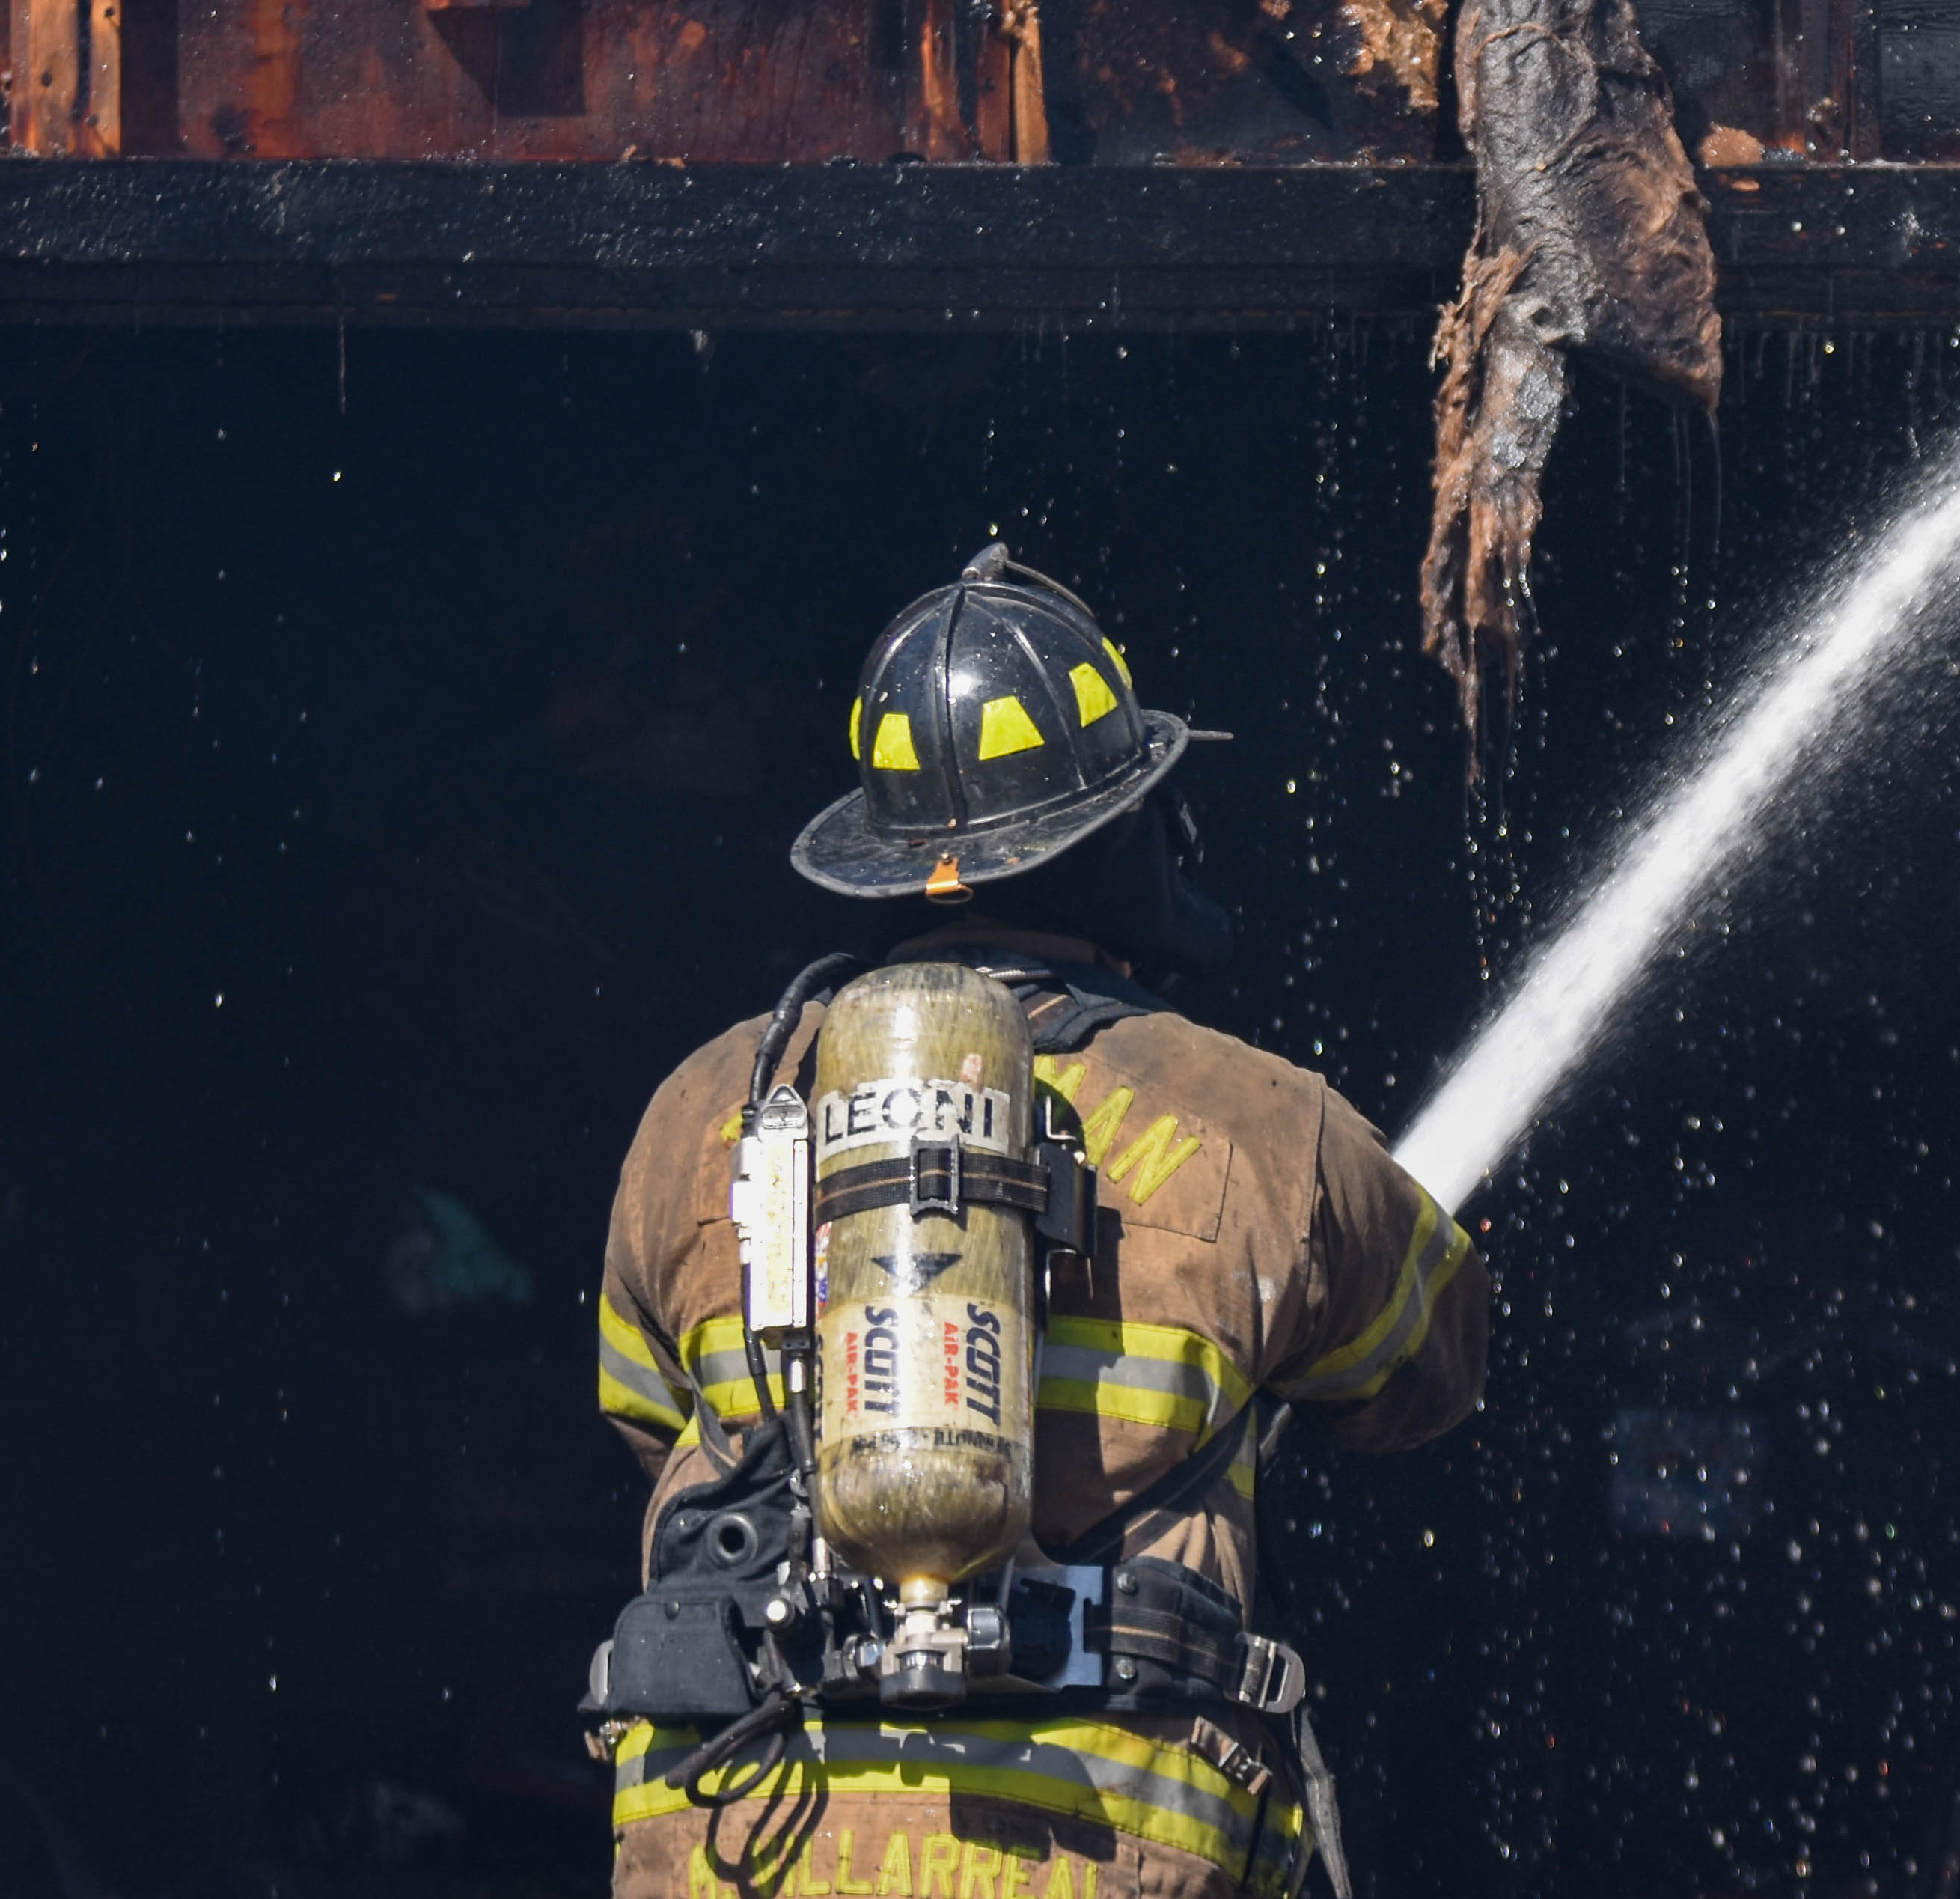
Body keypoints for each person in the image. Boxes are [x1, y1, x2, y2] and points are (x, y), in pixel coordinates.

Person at [590, 544, 1484, 1899]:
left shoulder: (696, 1113)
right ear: (1124, 832)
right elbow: (1430, 1373)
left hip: (738, 1842)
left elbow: (644, 1415)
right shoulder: (1258, 1122)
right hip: (1089, 1851)